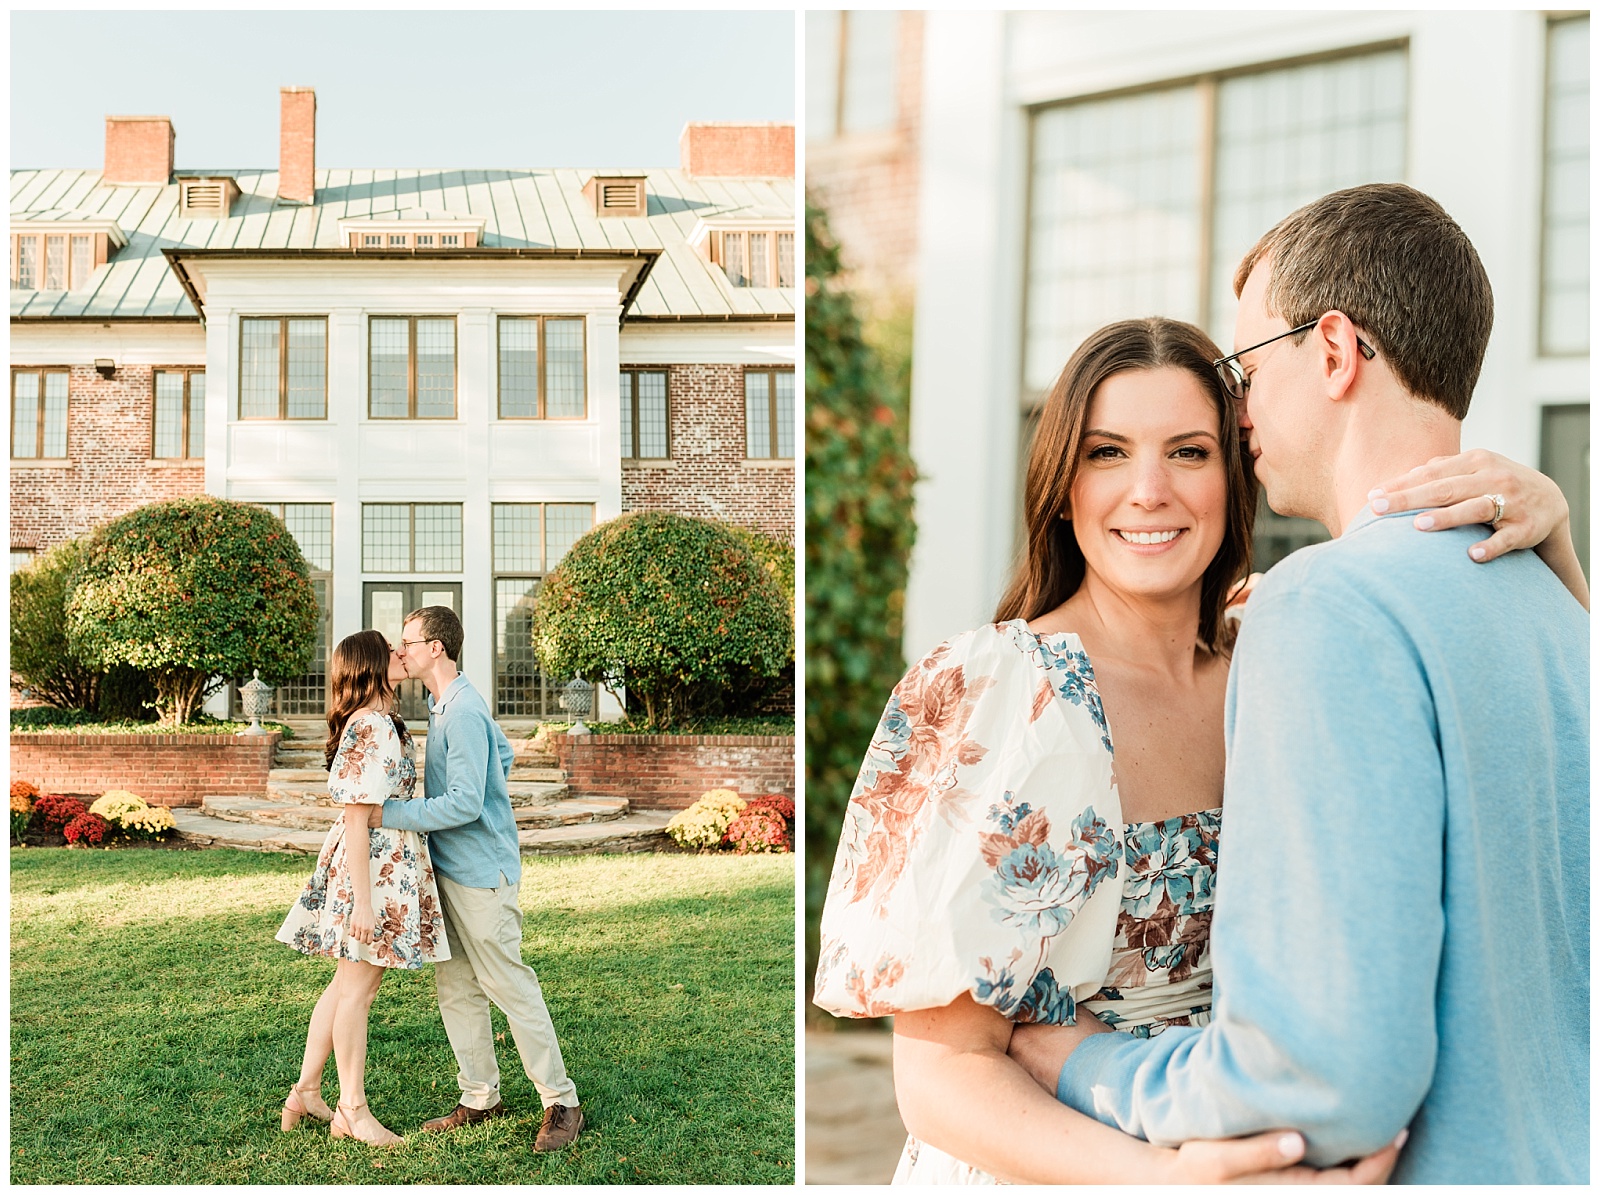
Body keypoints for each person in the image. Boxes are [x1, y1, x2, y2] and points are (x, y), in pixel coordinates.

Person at [813, 310, 1584, 1179]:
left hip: (1262, 1135)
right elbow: (939, 1077)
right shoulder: (1001, 692)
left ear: (1236, 472)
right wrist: (1169, 1180)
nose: (1150, 490)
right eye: (1107, 453)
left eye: (1188, 451)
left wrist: (1554, 541)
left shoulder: (1284, 653)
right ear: (1063, 485)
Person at [1022, 184, 1588, 1184]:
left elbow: (1320, 1079)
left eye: (1245, 369)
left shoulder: (1322, 607)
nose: (1238, 410)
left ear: (1331, 351)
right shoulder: (1559, 607)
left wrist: (1089, 1065)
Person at [366, 605, 585, 1153]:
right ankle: (479, 1097)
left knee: (510, 987)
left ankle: (561, 1101)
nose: (402, 650)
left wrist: (389, 815)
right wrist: (489, 792)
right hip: (448, 871)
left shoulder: (462, 711)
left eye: (409, 641)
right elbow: (502, 755)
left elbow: (464, 802)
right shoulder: (449, 705)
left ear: (436, 647)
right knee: (457, 987)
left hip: (483, 876)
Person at [277, 628, 450, 1147]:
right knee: (358, 990)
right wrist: (365, 903)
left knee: (346, 985)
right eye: (391, 651)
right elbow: (356, 818)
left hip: (381, 861)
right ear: (371, 666)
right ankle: (351, 1109)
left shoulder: (380, 719)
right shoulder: (371, 724)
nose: (401, 655)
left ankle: (306, 1090)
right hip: (369, 868)